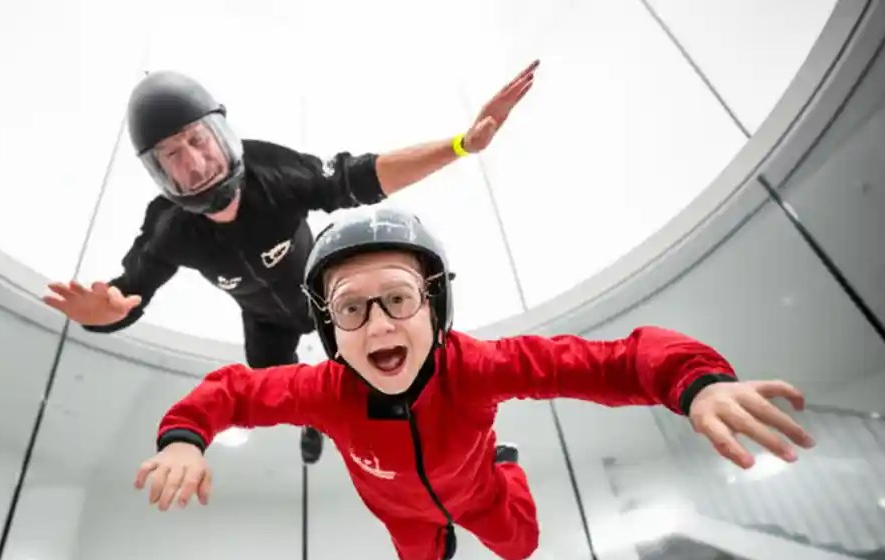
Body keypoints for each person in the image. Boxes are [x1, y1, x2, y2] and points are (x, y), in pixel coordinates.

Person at [131, 208, 817, 560]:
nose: (377, 326)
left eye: (398, 299)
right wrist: (186, 438)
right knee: (422, 559)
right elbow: (232, 391)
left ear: (435, 306)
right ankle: (433, 535)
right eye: (349, 309)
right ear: (330, 327)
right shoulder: (323, 389)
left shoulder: (481, 366)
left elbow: (611, 361)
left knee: (520, 546)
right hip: (399, 510)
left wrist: (694, 385)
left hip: (480, 488)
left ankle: (506, 463)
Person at [43, 62, 539, 464]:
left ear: (221, 133)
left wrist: (461, 145)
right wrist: (102, 316)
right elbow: (129, 293)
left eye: (197, 140)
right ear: (157, 171)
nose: (193, 164)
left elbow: (356, 178)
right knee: (278, 388)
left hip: (322, 293)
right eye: (172, 155)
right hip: (265, 320)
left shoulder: (272, 172)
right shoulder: (170, 227)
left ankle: (455, 437)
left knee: (388, 360)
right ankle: (314, 426)